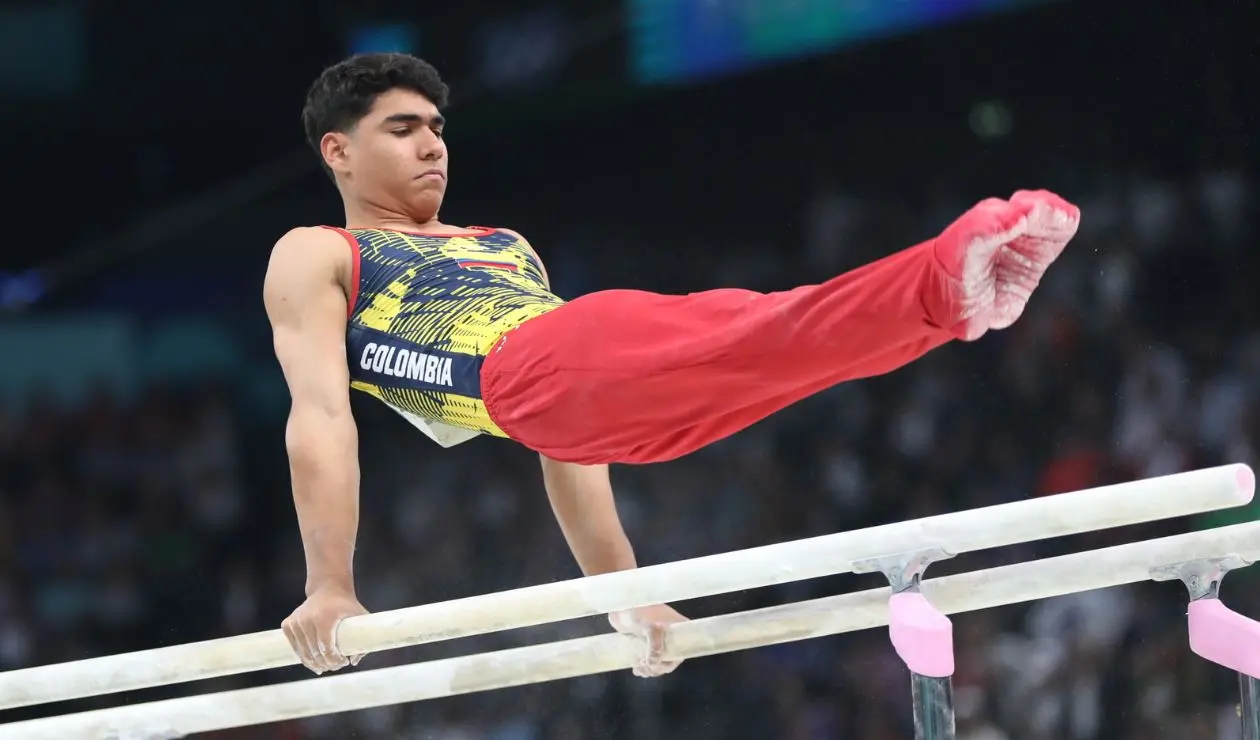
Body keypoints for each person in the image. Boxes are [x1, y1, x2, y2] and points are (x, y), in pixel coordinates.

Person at [264, 52, 1081, 679]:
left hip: (588, 385)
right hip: (522, 377)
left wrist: (623, 595)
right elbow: (322, 416)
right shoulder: (319, 254)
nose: (432, 145)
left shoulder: (502, 246)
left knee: (787, 350)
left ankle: (956, 302)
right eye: (402, 129)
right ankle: (944, 285)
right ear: (338, 150)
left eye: (437, 127)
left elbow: (572, 452)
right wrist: (329, 582)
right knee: (767, 333)